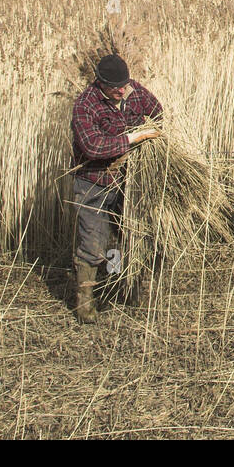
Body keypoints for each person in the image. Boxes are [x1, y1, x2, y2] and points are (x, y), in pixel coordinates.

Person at [67, 53, 162, 324]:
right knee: (92, 245)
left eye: (124, 84)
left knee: (124, 239)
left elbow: (157, 110)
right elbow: (92, 146)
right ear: (100, 83)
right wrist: (132, 138)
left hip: (126, 183)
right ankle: (86, 308)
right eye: (115, 87)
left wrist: (152, 131)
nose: (122, 90)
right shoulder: (86, 105)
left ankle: (118, 291)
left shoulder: (131, 88)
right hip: (93, 183)